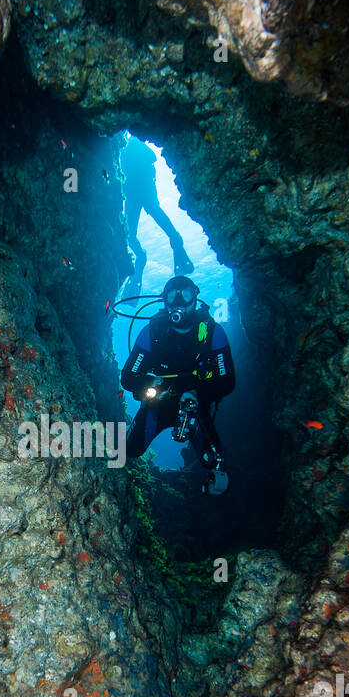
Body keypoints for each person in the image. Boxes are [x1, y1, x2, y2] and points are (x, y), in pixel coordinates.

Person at [120, 276, 235, 494]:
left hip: (195, 409)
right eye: (173, 297)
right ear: (164, 301)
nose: (180, 303)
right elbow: (128, 377)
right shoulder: (153, 332)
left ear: (195, 297)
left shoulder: (212, 332)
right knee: (130, 450)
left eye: (186, 295)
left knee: (215, 462)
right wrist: (156, 384)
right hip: (158, 405)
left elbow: (228, 381)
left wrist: (195, 392)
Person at [120, 135, 194, 294]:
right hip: (141, 192)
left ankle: (143, 255)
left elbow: (124, 172)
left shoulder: (129, 149)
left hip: (137, 192)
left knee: (131, 234)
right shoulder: (135, 148)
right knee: (135, 231)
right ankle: (171, 242)